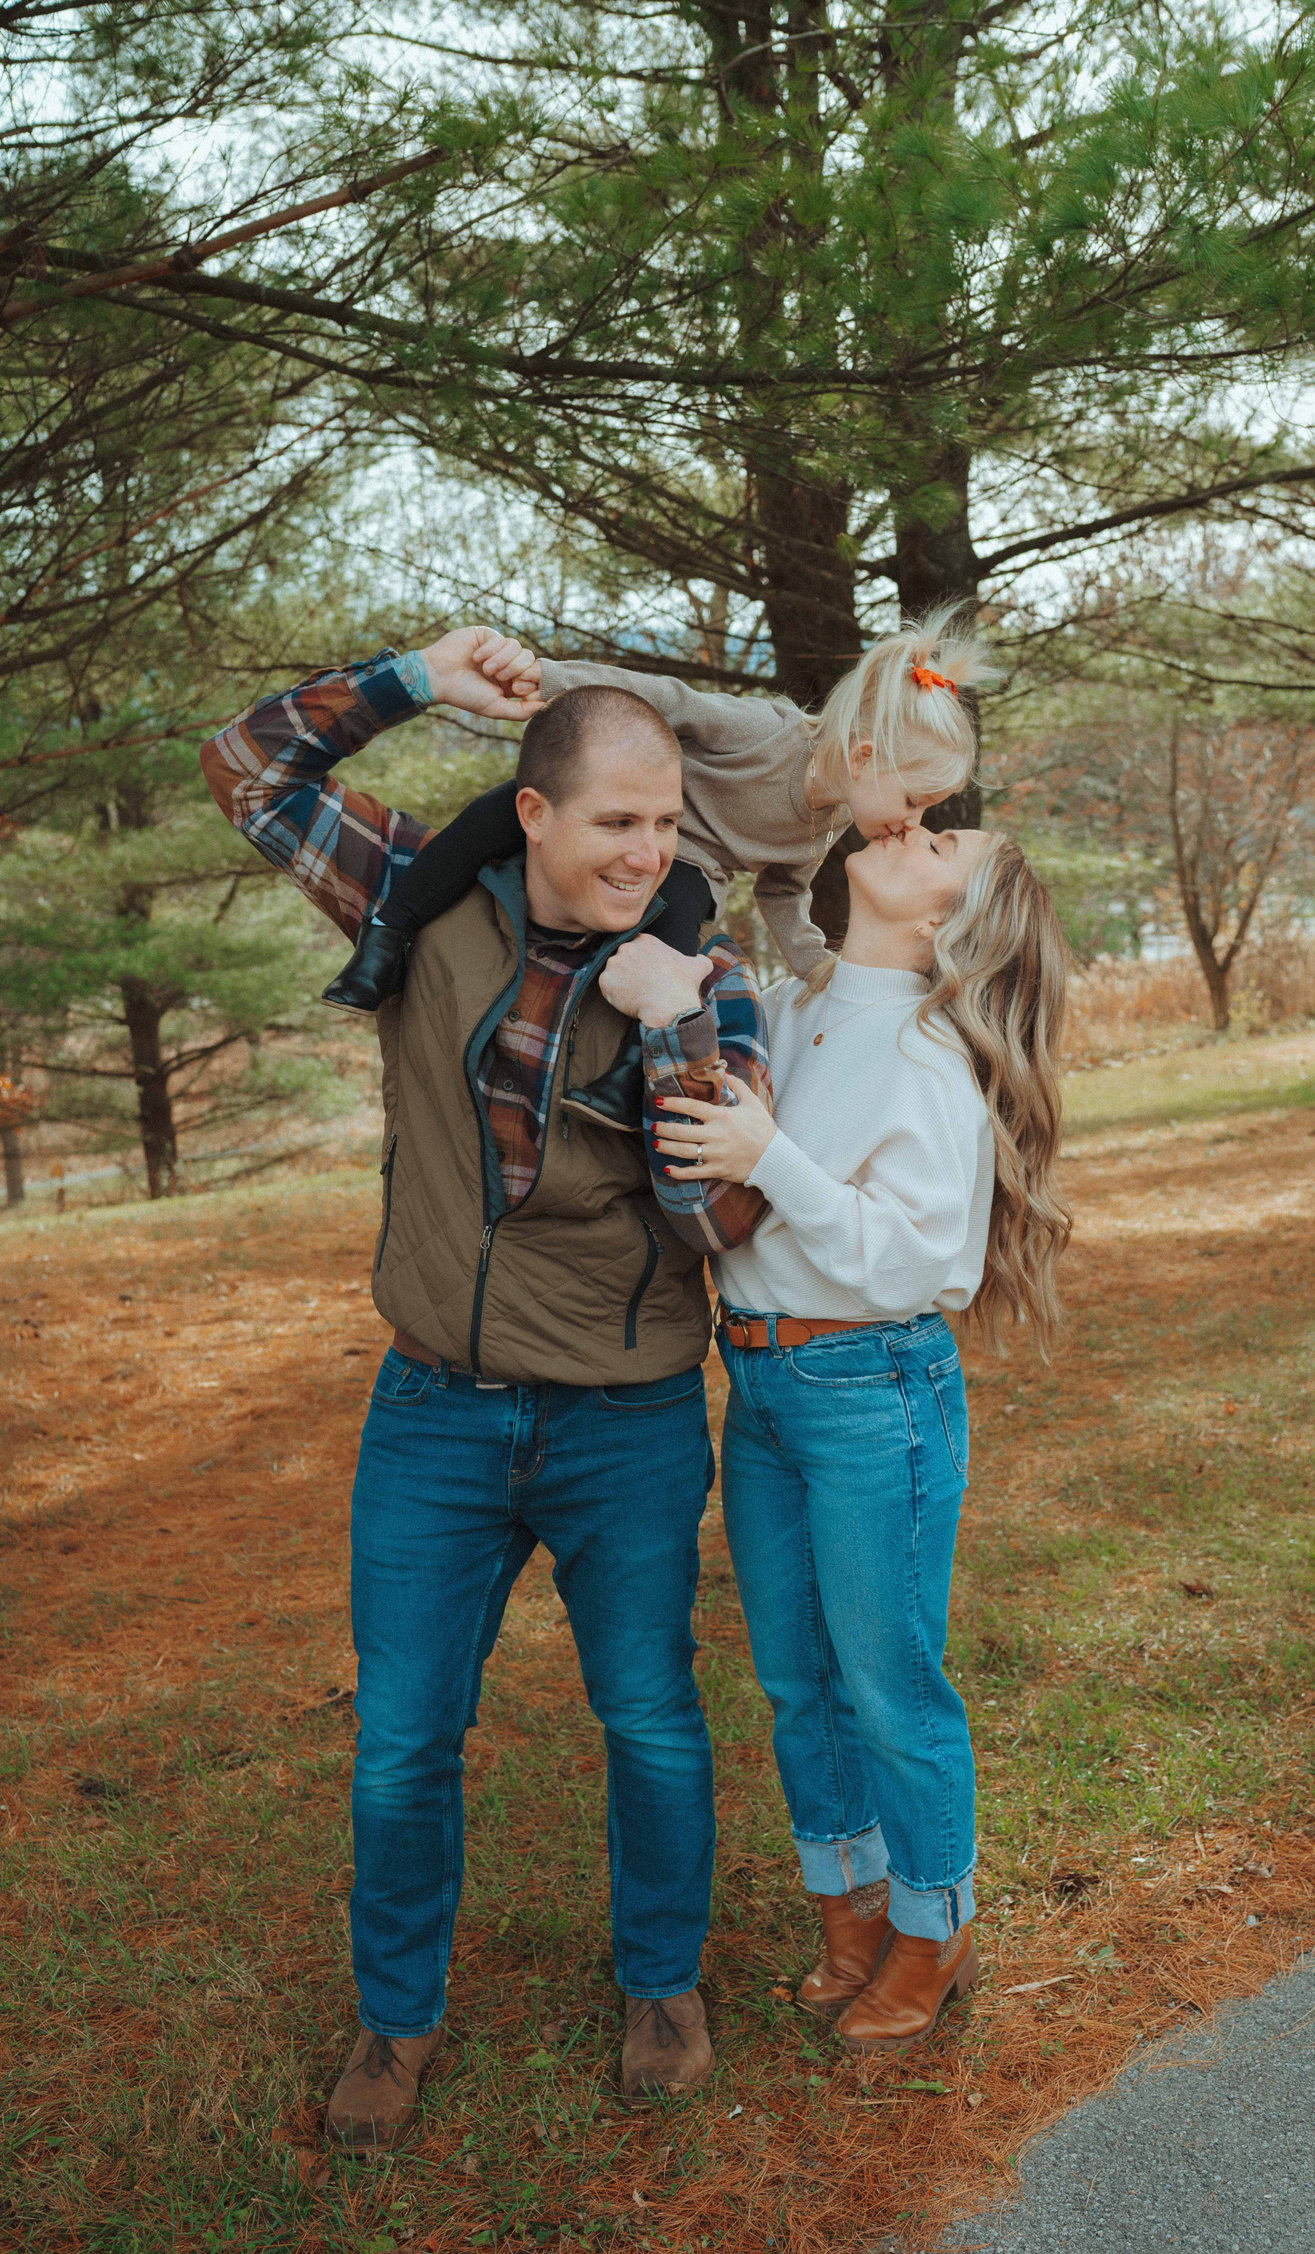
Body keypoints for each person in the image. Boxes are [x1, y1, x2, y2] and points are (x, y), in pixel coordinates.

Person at [199, 629, 773, 2150]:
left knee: (648, 1716)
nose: (649, 853)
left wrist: (673, 1026)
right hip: (436, 1412)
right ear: (533, 815)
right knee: (401, 1738)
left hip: (629, 1416)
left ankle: (664, 1982)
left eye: (664, 825)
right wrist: (410, 681)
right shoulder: (421, 899)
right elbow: (246, 766)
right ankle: (396, 2020)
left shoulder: (709, 975)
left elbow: (723, 1221)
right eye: (614, 823)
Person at [644, 820, 1072, 2053]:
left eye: (944, 840)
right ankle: (851, 1904)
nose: (906, 828)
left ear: (947, 919)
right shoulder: (795, 1001)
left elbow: (922, 1259)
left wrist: (768, 1157)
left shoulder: (932, 1052)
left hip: (870, 1386)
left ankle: (938, 1926)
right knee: (794, 1677)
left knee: (889, 1682)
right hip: (762, 1379)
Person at [319, 614, 991, 1132]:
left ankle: (624, 1076)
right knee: (492, 818)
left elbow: (785, 895)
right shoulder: (767, 734)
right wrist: (546, 677)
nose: (914, 822)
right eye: (914, 801)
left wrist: (825, 971)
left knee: (679, 937)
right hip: (638, 811)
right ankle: (387, 938)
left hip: (690, 869)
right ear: (866, 755)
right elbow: (663, 698)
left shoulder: (831, 821)